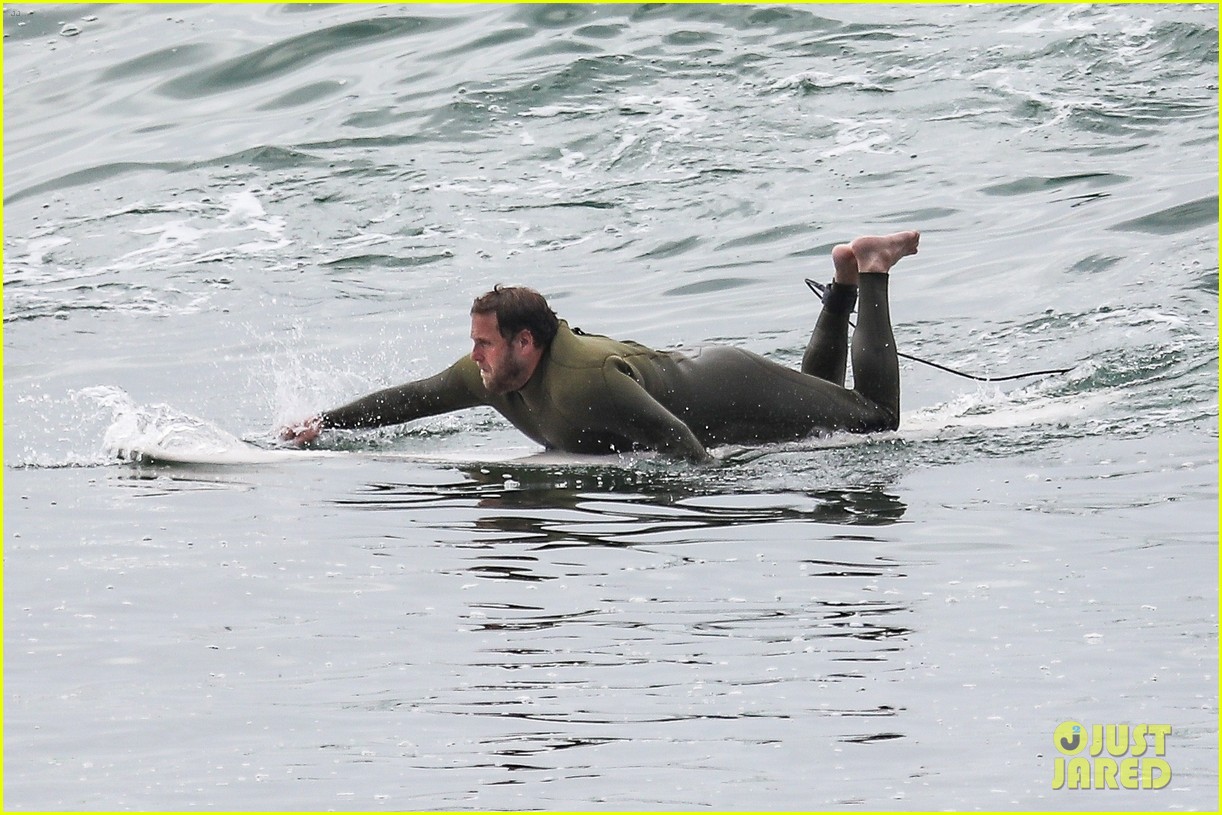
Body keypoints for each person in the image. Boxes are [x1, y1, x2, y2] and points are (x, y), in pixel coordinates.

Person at [281, 231, 920, 462]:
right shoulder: (490, 376)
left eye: (482, 344)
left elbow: (683, 445)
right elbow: (413, 400)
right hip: (718, 395)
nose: (473, 356)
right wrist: (325, 425)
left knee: (873, 424)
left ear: (524, 342)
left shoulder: (587, 379)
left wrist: (713, 504)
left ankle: (872, 270)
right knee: (825, 418)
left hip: (726, 384)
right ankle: (842, 278)